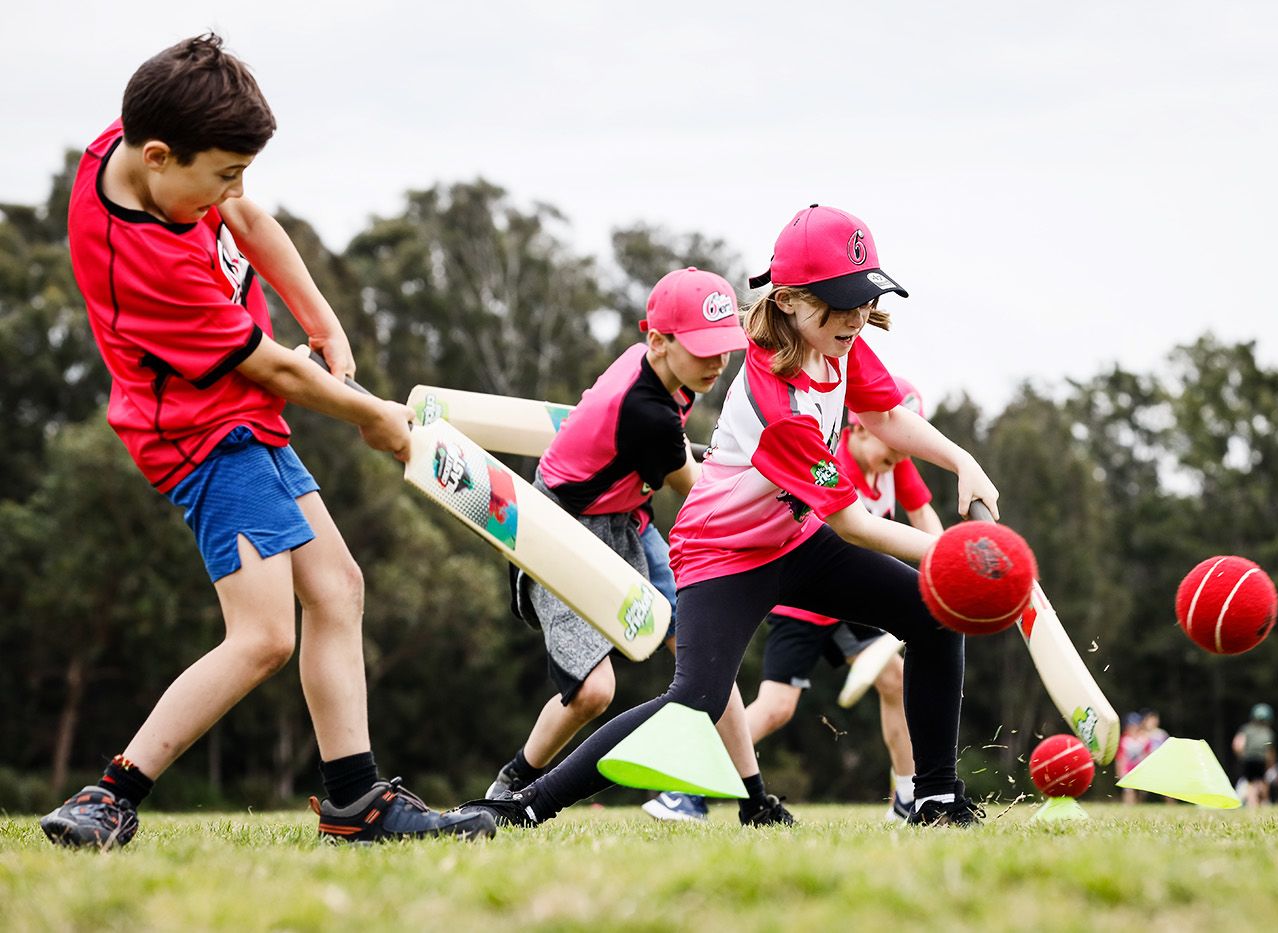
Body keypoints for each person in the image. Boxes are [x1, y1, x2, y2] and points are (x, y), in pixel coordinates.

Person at [39, 34, 493, 848]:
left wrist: (324, 319)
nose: (235, 190)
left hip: (239, 417)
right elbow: (274, 370)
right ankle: (108, 796)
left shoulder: (139, 147)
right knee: (263, 636)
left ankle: (355, 800)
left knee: (338, 586)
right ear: (158, 156)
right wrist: (375, 418)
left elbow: (245, 217)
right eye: (221, 172)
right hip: (201, 436)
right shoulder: (143, 258)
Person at [468, 204, 1001, 830]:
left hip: (796, 541)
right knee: (694, 700)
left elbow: (883, 415)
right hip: (723, 556)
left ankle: (935, 798)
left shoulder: (839, 348)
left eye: (864, 301)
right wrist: (957, 557)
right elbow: (852, 522)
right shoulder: (781, 403)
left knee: (932, 617)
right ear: (790, 300)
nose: (856, 318)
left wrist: (962, 461)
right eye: (839, 304)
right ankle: (525, 806)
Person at [483, 267, 791, 825]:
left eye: (724, 349)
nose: (717, 364)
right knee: (595, 692)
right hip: (563, 529)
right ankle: (511, 785)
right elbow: (703, 495)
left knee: (707, 656)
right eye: (702, 350)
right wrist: (778, 493)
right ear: (658, 341)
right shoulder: (646, 411)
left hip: (627, 517)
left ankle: (754, 800)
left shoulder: (664, 375)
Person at [744, 377, 938, 820]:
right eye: (892, 442)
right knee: (775, 709)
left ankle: (908, 798)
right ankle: (689, 785)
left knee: (895, 679)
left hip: (855, 592)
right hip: (804, 598)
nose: (900, 456)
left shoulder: (895, 464)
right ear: (861, 427)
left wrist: (946, 562)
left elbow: (924, 516)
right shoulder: (831, 465)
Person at [1232, 703, 1277, 807]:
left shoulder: (1246, 729)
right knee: (1263, 781)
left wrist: (1241, 756)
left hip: (1248, 759)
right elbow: (1270, 749)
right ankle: (1265, 802)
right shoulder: (1268, 732)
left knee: (1250, 783)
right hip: (1262, 759)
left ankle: (1252, 804)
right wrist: (1271, 764)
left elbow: (1237, 744)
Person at [1114, 712, 1146, 804]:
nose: (1133, 728)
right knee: (1128, 790)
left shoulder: (1143, 738)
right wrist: (1120, 771)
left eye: (1135, 725)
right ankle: (1128, 806)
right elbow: (1120, 757)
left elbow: (1146, 754)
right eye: (1131, 726)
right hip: (1128, 769)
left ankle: (1140, 806)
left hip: (1140, 768)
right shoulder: (1124, 740)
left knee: (1141, 791)